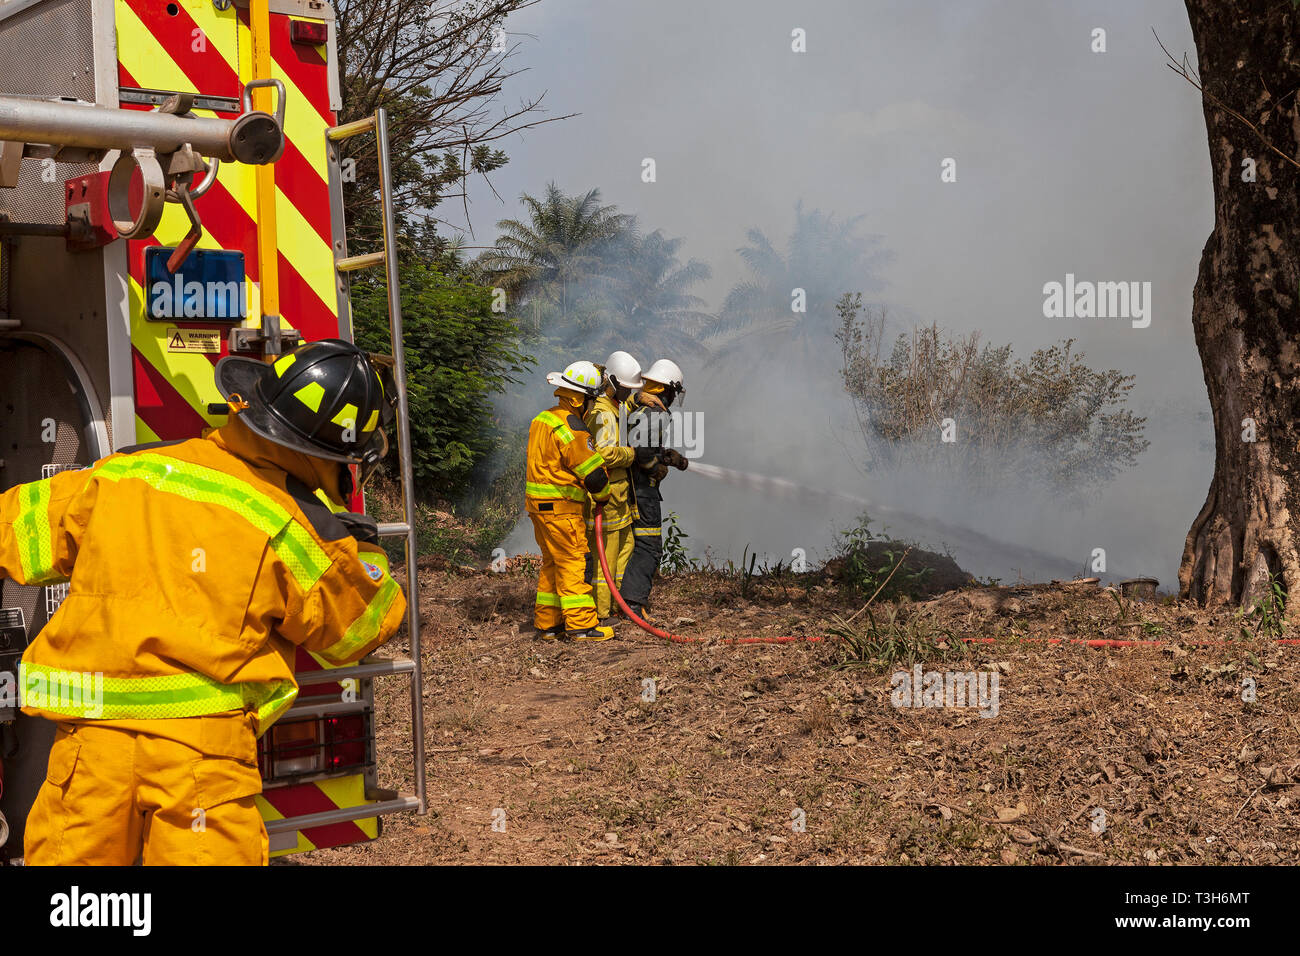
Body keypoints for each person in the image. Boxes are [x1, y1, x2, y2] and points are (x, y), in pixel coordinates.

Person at [1, 339, 407, 865]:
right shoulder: (295, 528)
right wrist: (364, 553)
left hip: (90, 753)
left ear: (250, 405)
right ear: (327, 457)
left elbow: (16, 533)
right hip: (203, 760)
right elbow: (357, 630)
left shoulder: (125, 475)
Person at [525, 360, 615, 641]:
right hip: (562, 510)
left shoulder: (542, 419)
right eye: (591, 399)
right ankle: (582, 626)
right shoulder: (573, 426)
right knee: (573, 562)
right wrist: (604, 495)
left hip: (538, 509)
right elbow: (594, 478)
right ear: (580, 400)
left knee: (552, 564)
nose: (591, 406)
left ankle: (548, 624)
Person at [583, 351, 660, 623]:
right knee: (607, 559)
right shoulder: (603, 414)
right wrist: (632, 454)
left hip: (620, 498)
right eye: (627, 388)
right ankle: (602, 614)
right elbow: (604, 453)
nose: (630, 393)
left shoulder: (617, 406)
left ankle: (618, 607)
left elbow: (627, 405)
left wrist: (640, 396)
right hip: (606, 497)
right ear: (613, 384)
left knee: (625, 551)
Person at [621, 359, 688, 620]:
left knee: (630, 544)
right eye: (673, 391)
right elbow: (642, 452)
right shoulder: (657, 412)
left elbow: (636, 440)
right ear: (667, 389)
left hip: (627, 487)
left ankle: (621, 600)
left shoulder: (636, 407)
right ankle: (633, 604)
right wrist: (654, 467)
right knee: (648, 545)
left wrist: (665, 456)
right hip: (643, 491)